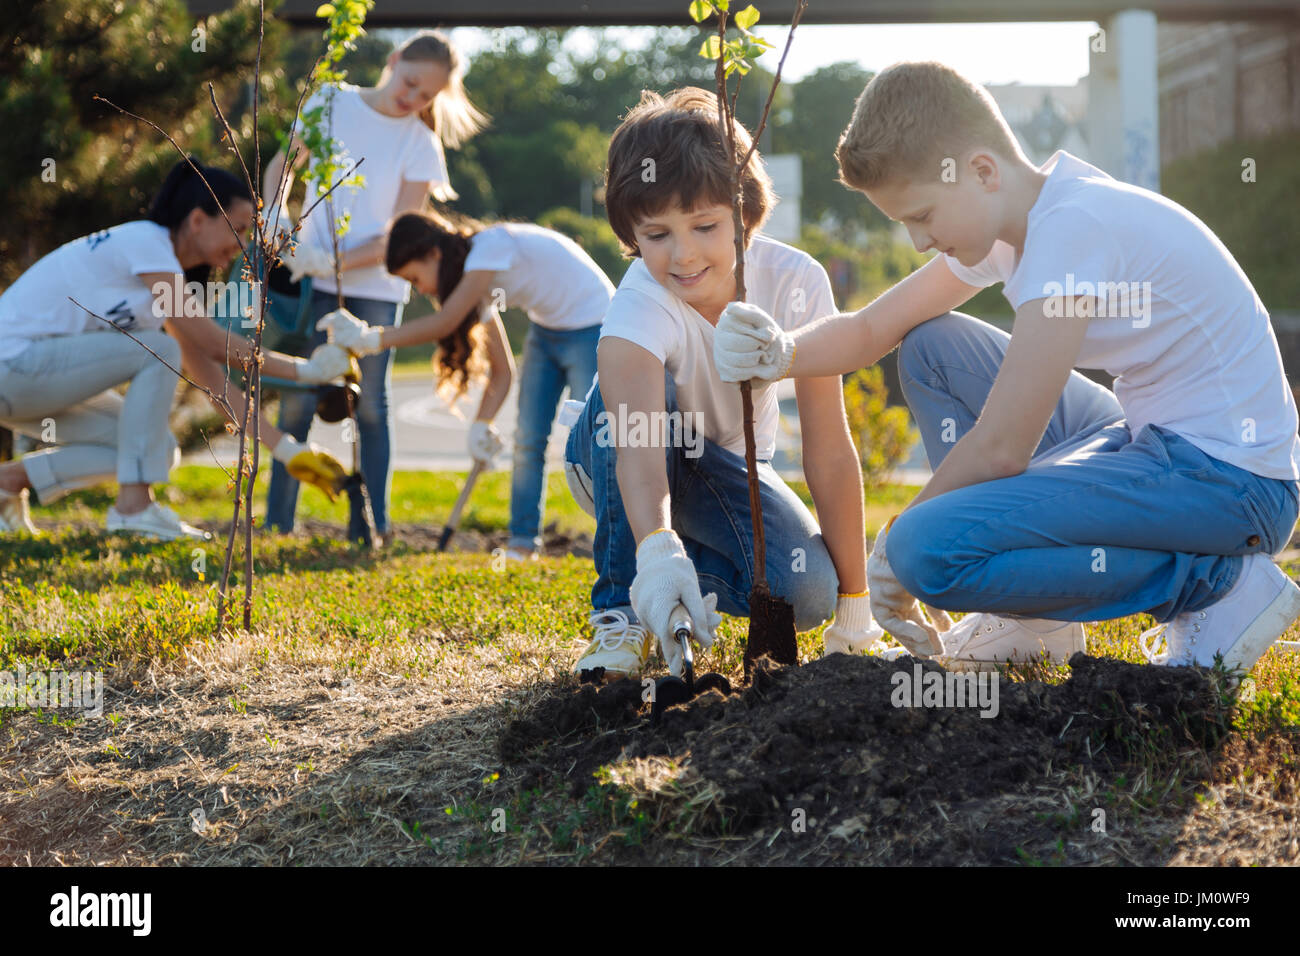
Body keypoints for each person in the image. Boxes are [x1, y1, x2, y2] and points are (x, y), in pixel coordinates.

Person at [712, 61, 1300, 678]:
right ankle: (1034, 624)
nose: (917, 241)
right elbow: (872, 329)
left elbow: (1001, 450)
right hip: (1152, 439)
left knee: (926, 551)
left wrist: (894, 546)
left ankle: (1218, 584)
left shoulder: (1070, 232)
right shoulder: (1026, 218)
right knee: (932, 346)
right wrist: (780, 354)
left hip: (1231, 481)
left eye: (922, 216)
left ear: (983, 171)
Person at [556, 87, 885, 680]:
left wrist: (855, 610)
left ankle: (666, 575)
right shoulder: (638, 307)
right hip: (618, 453)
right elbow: (636, 440)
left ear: (746, 217)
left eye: (706, 226)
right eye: (656, 236)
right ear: (633, 234)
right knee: (641, 403)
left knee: (806, 591)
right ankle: (622, 610)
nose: (683, 256)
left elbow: (830, 448)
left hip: (721, 470)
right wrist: (656, 549)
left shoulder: (796, 284)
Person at [0, 158, 355, 539]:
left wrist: (285, 449)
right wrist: (308, 370)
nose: (243, 244)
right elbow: (213, 343)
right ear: (198, 220)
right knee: (159, 350)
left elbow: (211, 379)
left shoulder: (163, 278)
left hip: (31, 384)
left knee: (160, 449)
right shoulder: (146, 242)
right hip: (14, 368)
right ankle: (133, 510)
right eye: (237, 229)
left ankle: (9, 481)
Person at [262, 29, 488, 545]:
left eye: (427, 95)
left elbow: (400, 235)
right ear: (393, 61)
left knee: (369, 405)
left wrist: (332, 259)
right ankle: (277, 524)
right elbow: (284, 162)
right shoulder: (330, 101)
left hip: (377, 290)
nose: (413, 98)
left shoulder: (420, 144)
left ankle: (372, 527)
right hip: (306, 277)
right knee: (299, 397)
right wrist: (275, 211)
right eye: (410, 83)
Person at [323, 209, 614, 559]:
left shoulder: (488, 249)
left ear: (433, 254)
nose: (423, 289)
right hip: (546, 329)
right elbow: (502, 370)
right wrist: (481, 424)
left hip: (594, 324)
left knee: (594, 441)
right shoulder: (477, 281)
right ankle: (522, 544)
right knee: (528, 440)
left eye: (416, 279)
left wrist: (370, 338)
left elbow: (445, 323)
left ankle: (615, 542)